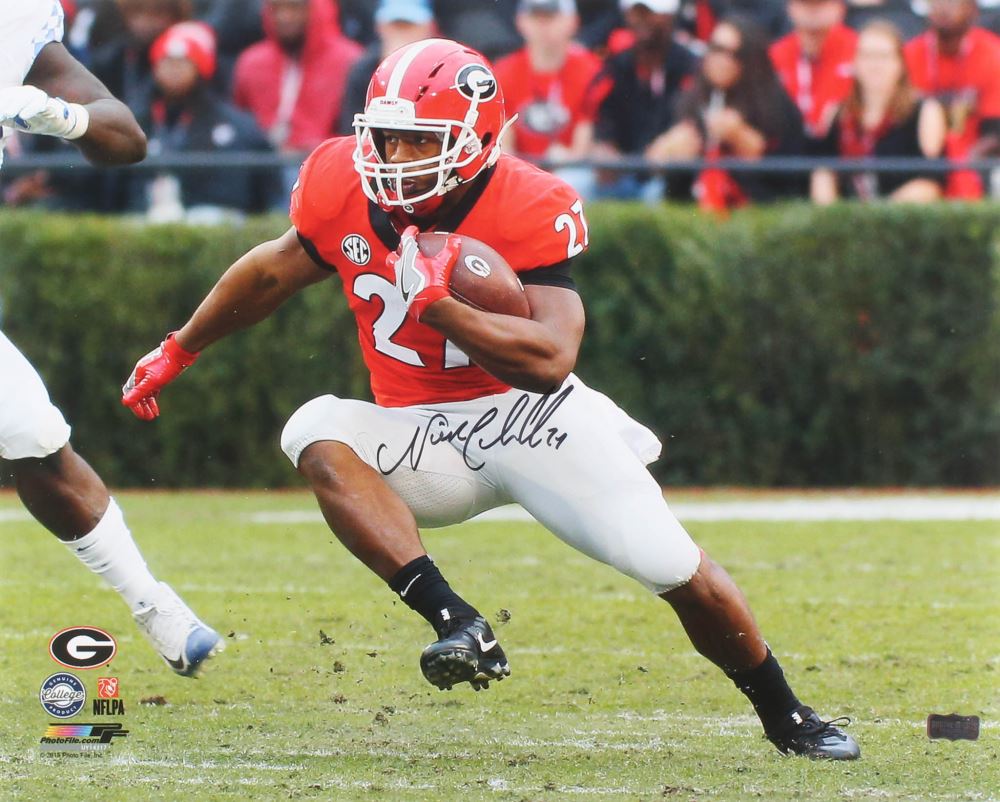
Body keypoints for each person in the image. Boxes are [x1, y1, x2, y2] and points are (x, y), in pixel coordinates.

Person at [122, 37, 859, 760]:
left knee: (670, 564)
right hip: (422, 434)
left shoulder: (531, 202)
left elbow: (551, 358)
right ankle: (458, 622)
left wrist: (445, 309)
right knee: (314, 427)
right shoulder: (338, 180)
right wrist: (179, 347)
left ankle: (786, 713)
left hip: (531, 419)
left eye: (418, 141)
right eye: (385, 139)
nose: (396, 159)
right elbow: (273, 271)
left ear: (473, 139)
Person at [0, 0, 221, 676]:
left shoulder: (19, 25)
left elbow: (126, 138)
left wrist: (58, 116)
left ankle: (152, 604)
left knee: (35, 436)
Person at [646, 15, 806, 210]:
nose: (721, 61)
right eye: (716, 50)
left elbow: (792, 177)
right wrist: (667, 153)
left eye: (734, 54)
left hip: (756, 210)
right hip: (694, 209)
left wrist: (743, 140)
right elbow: (653, 164)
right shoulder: (689, 99)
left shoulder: (774, 102)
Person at [135, 21, 279, 222]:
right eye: (166, 62)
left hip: (210, 217)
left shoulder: (236, 126)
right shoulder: (140, 117)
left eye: (182, 63)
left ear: (200, 68)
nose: (173, 71)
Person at [811, 20, 947, 204]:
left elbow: (930, 182)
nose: (875, 65)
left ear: (900, 64)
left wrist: (876, 218)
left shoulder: (925, 112)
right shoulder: (836, 113)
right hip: (847, 223)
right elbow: (823, 171)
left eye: (883, 56)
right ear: (855, 63)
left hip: (903, 220)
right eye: (867, 56)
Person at [494, 0, 611, 198]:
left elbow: (582, 147)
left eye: (551, 16)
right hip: (520, 171)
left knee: (573, 180)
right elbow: (504, 146)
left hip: (571, 169)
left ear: (573, 21)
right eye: (535, 16)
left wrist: (565, 159)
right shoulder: (503, 72)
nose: (543, 25)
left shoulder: (591, 70)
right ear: (520, 21)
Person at [590, 0, 698, 201]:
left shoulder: (691, 66)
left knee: (656, 193)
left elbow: (691, 127)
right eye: (636, 13)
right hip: (621, 173)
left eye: (649, 13)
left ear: (669, 16)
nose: (642, 21)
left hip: (670, 177)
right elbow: (603, 121)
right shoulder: (615, 66)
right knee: (577, 183)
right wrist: (603, 147)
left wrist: (672, 144)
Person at [904, 0, 1000, 199]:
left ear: (973, 9)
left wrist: (965, 164)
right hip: (920, 158)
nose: (945, 7)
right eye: (937, 2)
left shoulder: (993, 53)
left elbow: (995, 129)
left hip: (977, 157)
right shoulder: (909, 54)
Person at [337, 0, 436, 135]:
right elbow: (350, 130)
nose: (401, 33)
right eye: (395, 25)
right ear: (380, 26)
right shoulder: (362, 70)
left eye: (409, 26)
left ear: (429, 27)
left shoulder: (445, 68)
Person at [769, 0, 857, 139]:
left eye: (821, 4)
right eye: (806, 4)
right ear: (790, 8)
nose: (813, 12)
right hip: (788, 148)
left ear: (839, 8)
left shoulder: (858, 49)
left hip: (842, 148)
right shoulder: (776, 54)